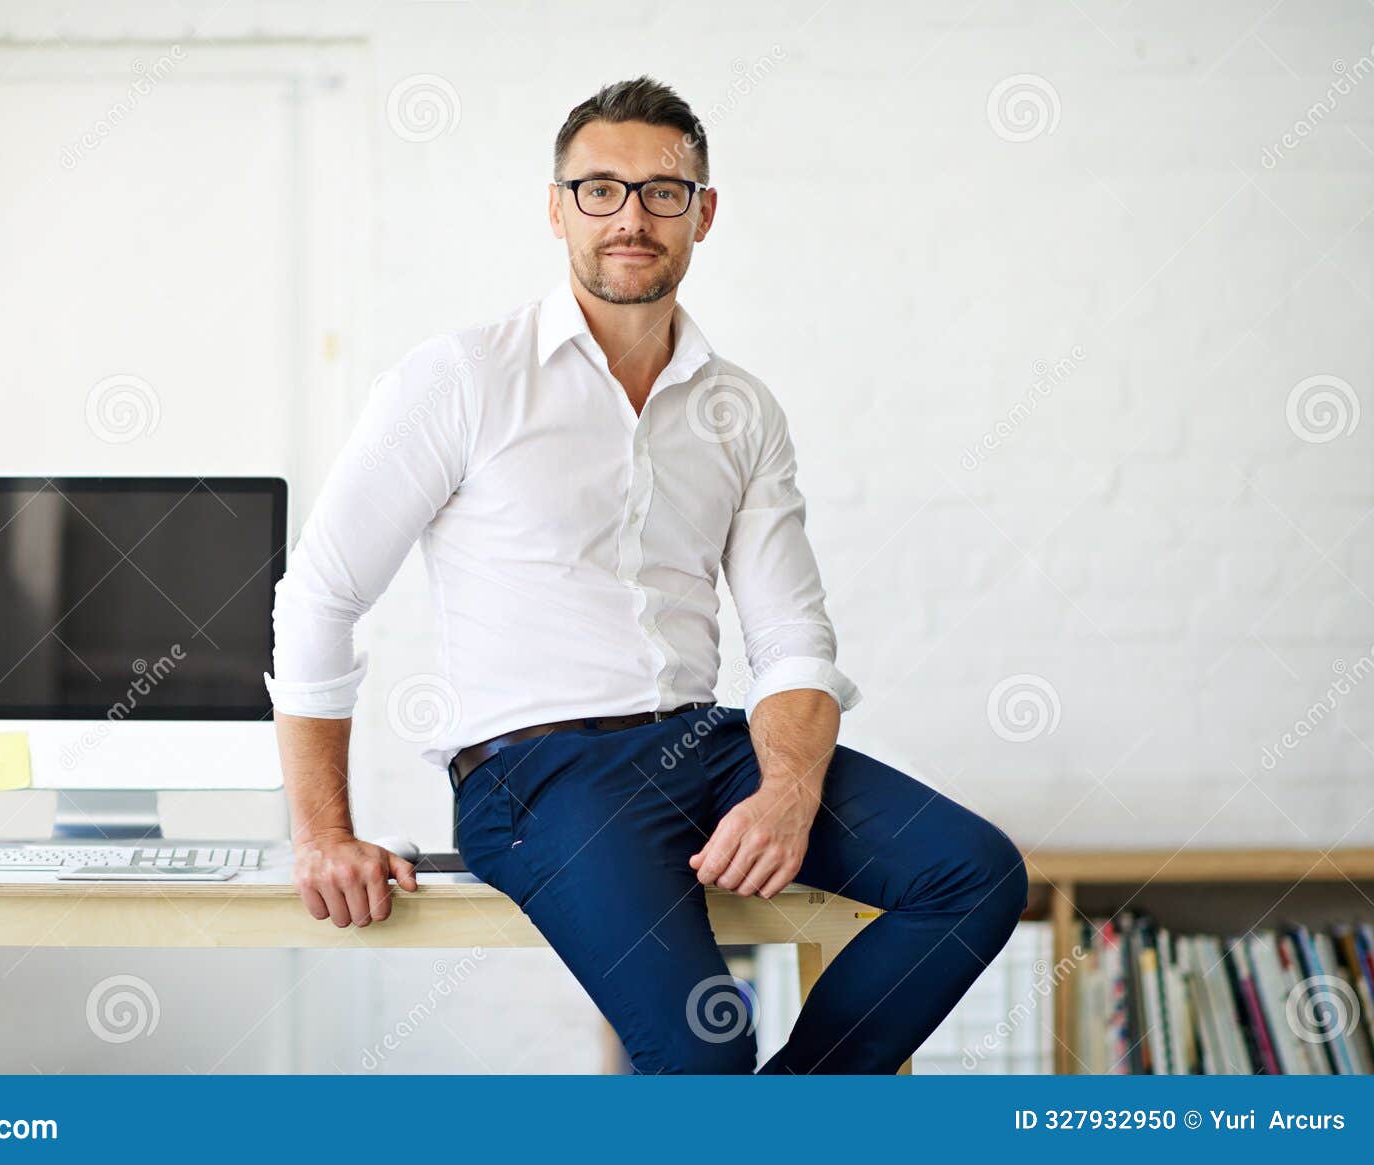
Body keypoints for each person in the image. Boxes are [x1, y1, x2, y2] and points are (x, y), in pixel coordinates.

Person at [265, 75, 1028, 1074]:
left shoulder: (741, 409)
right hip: (536, 775)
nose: (631, 215)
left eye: (663, 192)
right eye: (599, 188)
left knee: (973, 874)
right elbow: (318, 595)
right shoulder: (461, 378)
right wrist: (325, 834)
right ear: (556, 207)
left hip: (706, 749)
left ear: (703, 213)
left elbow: (791, 639)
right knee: (712, 1044)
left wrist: (788, 785)